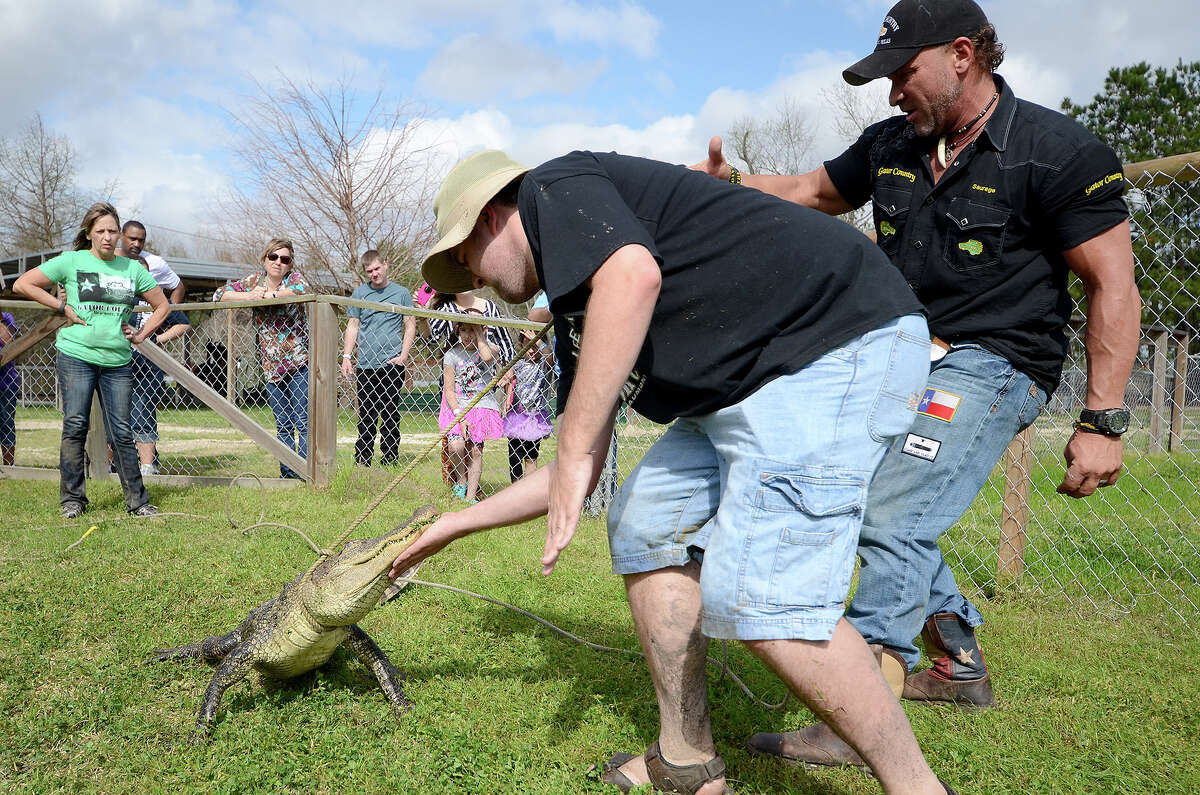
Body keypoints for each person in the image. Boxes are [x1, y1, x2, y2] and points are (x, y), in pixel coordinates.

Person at [389, 149, 956, 795]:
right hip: (742, 383)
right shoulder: (579, 304)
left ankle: (919, 786)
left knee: (760, 597)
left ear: (490, 218)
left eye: (464, 260)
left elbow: (634, 279)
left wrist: (576, 451)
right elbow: (577, 456)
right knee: (647, 522)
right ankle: (687, 761)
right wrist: (455, 524)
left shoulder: (555, 185)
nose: (477, 281)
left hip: (834, 342)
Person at [694, 0, 1141, 767]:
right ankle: (960, 657)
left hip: (998, 363)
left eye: (902, 73)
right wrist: (731, 185)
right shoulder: (893, 145)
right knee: (861, 491)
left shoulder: (1055, 150)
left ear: (963, 54)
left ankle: (854, 707)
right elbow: (809, 191)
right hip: (899, 356)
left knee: (894, 508)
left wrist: (1102, 420)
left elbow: (1115, 285)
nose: (893, 92)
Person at [13, 202, 170, 517]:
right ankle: (72, 499)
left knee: (123, 431)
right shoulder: (72, 261)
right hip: (76, 356)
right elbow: (23, 284)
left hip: (118, 361)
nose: (108, 237)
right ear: (89, 234)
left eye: (113, 231)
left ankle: (138, 502)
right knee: (75, 424)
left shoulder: (132, 269)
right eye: (101, 231)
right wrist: (61, 308)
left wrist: (141, 335)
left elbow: (162, 306)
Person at [215, 238, 310, 479]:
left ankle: (306, 472)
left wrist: (272, 295)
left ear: (289, 264)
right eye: (274, 257)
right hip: (271, 366)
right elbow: (220, 295)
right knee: (283, 424)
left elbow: (301, 290)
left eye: (285, 259)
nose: (279, 262)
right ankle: (288, 474)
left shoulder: (294, 280)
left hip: (300, 363)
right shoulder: (253, 282)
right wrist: (249, 296)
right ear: (265, 259)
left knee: (304, 422)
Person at [341, 250, 417, 467]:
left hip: (391, 363)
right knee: (366, 415)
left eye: (377, 268)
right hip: (366, 364)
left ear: (385, 264)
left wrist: (403, 355)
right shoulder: (360, 293)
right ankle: (363, 459)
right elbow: (353, 325)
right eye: (369, 271)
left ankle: (390, 457)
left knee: (390, 414)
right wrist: (347, 356)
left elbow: (410, 324)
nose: (374, 274)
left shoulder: (401, 293)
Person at [123, 289, 191, 475]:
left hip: (147, 369)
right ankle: (111, 465)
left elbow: (183, 324)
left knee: (142, 415)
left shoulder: (158, 300)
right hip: (117, 364)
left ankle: (148, 466)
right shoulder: (117, 295)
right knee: (115, 418)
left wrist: (156, 339)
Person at [439, 308, 503, 503]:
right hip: (458, 406)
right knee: (456, 446)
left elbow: (487, 358)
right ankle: (461, 480)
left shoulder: (491, 348)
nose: (468, 335)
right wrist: (459, 415)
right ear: (458, 330)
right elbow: (449, 390)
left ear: (482, 330)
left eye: (472, 330)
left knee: (476, 450)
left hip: (481, 405)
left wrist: (479, 334)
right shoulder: (451, 355)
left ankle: (471, 496)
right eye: (464, 330)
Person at [504, 327, 553, 482]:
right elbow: (509, 379)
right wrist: (505, 388)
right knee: (515, 455)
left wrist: (538, 340)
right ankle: (515, 487)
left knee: (531, 456)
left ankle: (528, 488)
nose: (532, 351)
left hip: (534, 416)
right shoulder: (518, 363)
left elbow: (550, 357)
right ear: (521, 346)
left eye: (535, 346)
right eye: (528, 346)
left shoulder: (544, 365)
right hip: (517, 416)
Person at [118, 221, 187, 303]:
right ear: (121, 236)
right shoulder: (108, 258)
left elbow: (179, 287)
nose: (137, 244)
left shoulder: (156, 263)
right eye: (132, 239)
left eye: (141, 241)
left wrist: (170, 313)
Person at [0, 311, 19, 466]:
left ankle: (9, 467)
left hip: (6, 383)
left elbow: (7, 342)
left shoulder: (6, 318)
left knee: (7, 424)